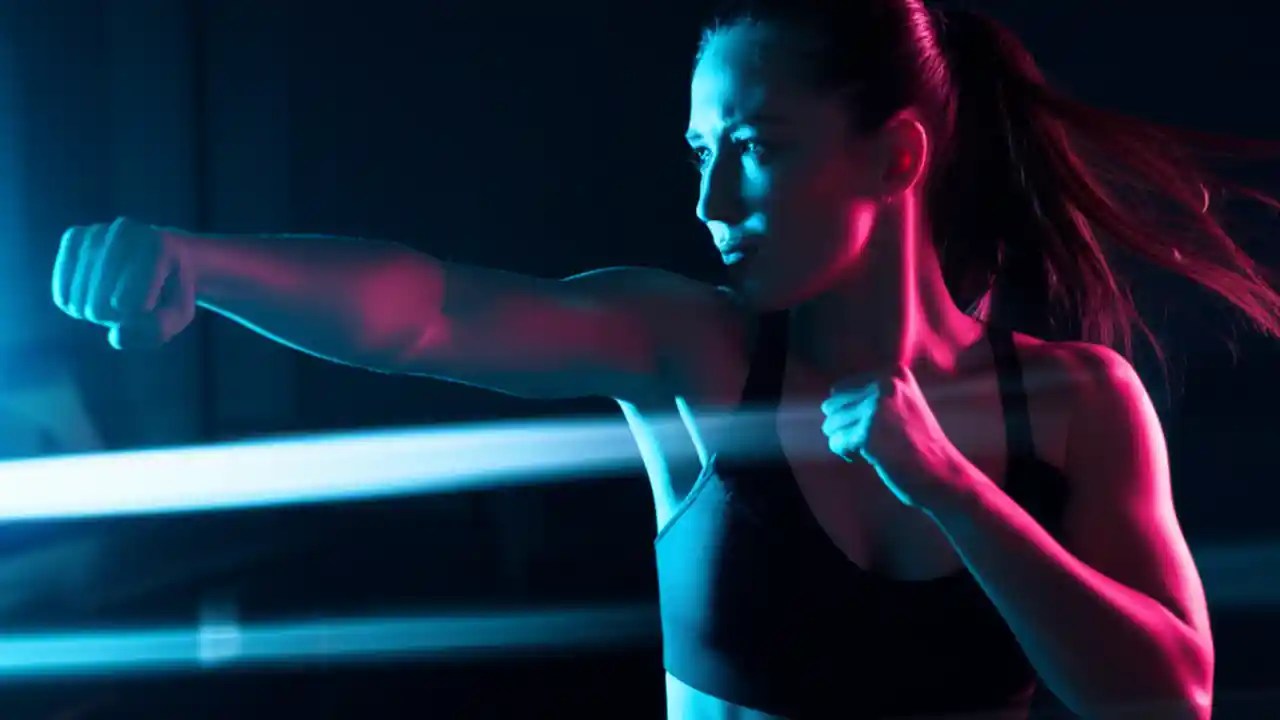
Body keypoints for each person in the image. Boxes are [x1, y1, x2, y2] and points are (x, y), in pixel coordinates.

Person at [50, 1, 1280, 717]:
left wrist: (952, 492)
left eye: (749, 144)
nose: (705, 194)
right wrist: (198, 264)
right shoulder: (688, 356)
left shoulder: (1072, 402)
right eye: (697, 147)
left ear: (893, 159)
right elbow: (431, 311)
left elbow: (1169, 698)